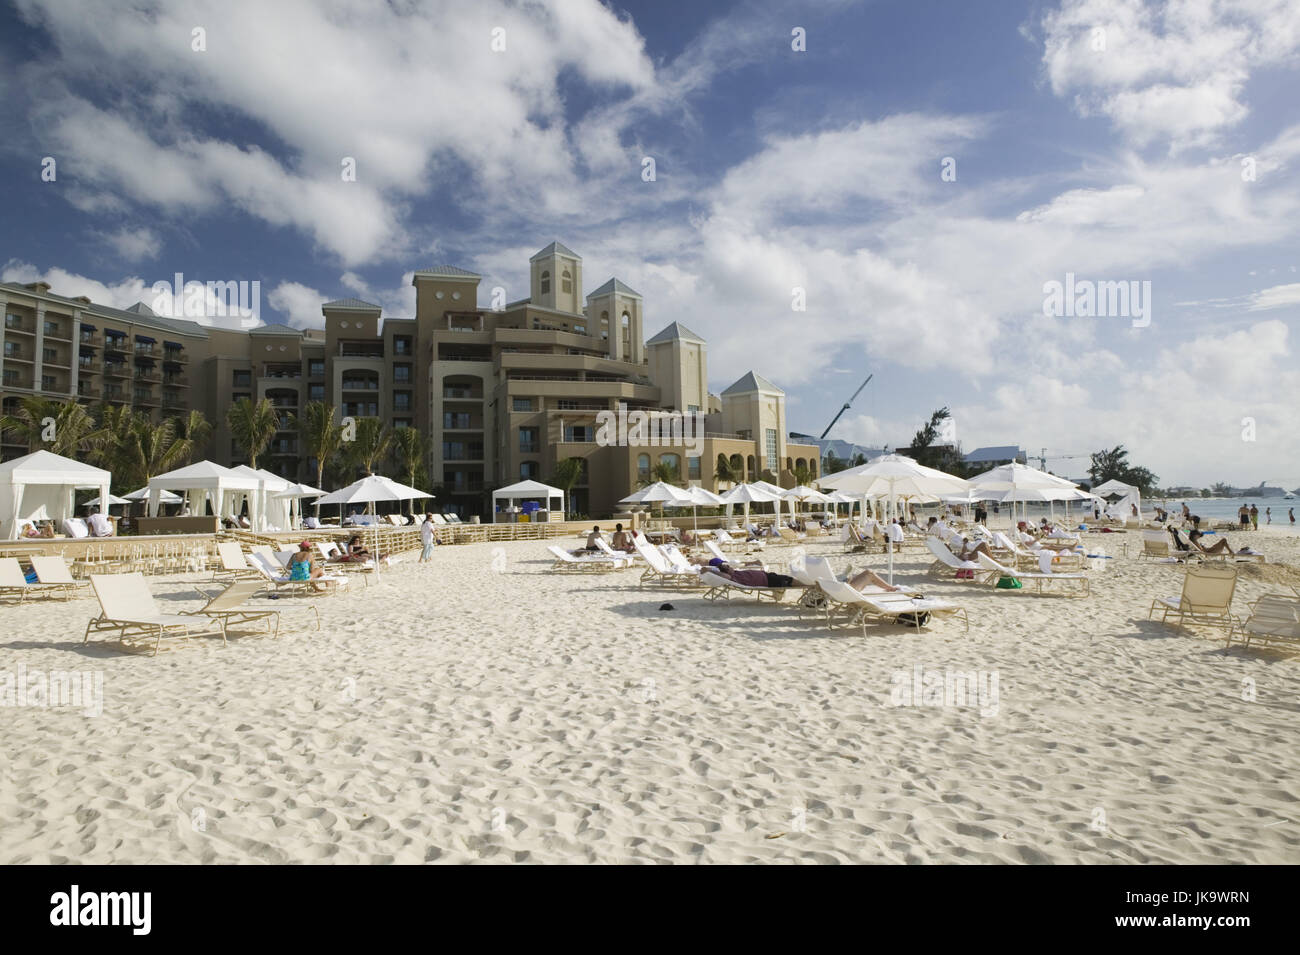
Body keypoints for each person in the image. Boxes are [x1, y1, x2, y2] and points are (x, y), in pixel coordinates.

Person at [702, 561, 795, 589]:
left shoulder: (735, 572)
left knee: (787, 578)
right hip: (767, 581)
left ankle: (801, 582)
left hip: (767, 576)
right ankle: (803, 584)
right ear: (726, 571)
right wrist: (709, 570)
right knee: (789, 580)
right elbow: (722, 575)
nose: (730, 567)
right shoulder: (731, 577)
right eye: (728, 567)